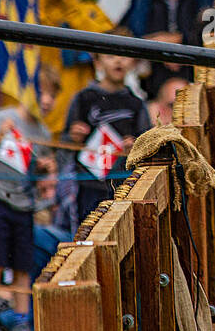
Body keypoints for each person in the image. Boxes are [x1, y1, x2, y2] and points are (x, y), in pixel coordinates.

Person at [0, 89, 55, 331]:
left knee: (22, 266)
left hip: (24, 204)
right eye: (43, 95)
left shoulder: (43, 132)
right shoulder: (2, 117)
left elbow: (38, 175)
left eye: (52, 96)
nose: (47, 100)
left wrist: (43, 170)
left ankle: (21, 324)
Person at [64, 43, 152, 224]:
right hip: (88, 183)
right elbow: (65, 141)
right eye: (110, 56)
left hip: (123, 184)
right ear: (97, 62)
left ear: (133, 62)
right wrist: (74, 137)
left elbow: (147, 143)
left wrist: (135, 146)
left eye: (124, 56)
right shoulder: (83, 98)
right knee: (86, 235)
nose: (118, 61)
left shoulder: (136, 103)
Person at [36, 0, 115, 136]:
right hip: (37, 112)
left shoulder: (90, 10)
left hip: (77, 117)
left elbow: (105, 47)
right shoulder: (30, 12)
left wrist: (70, 4)